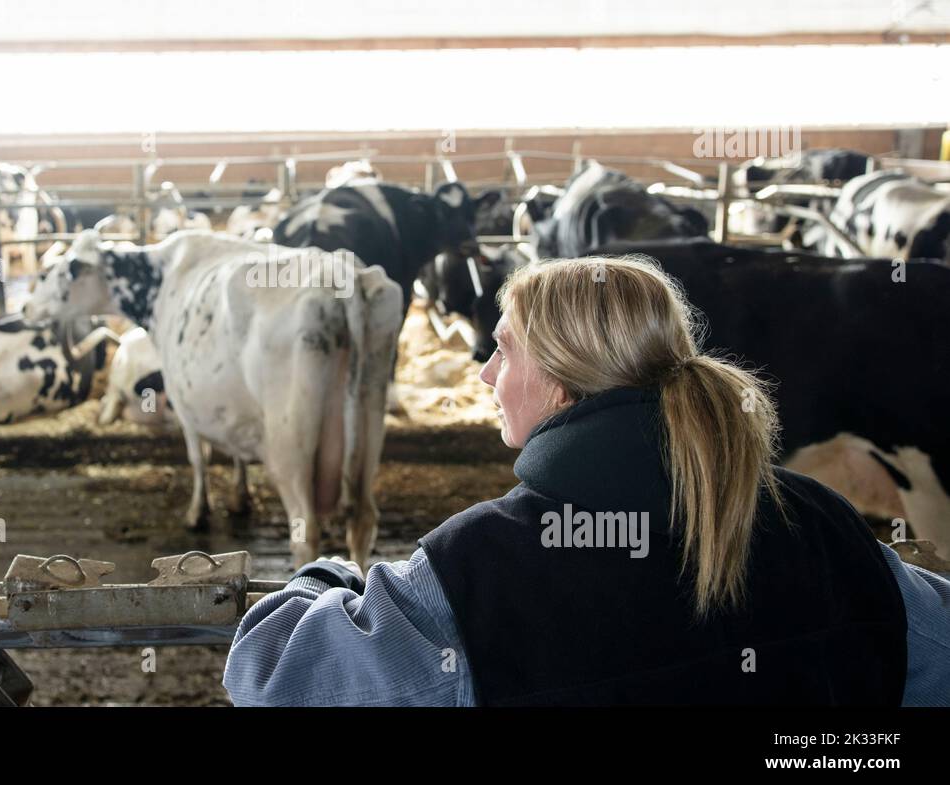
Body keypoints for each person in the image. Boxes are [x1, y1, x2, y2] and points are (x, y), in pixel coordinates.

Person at [222, 255, 950, 705]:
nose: (483, 372)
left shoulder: (477, 567)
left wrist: (322, 577)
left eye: (503, 350)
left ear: (562, 382)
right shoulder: (820, 525)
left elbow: (278, 674)